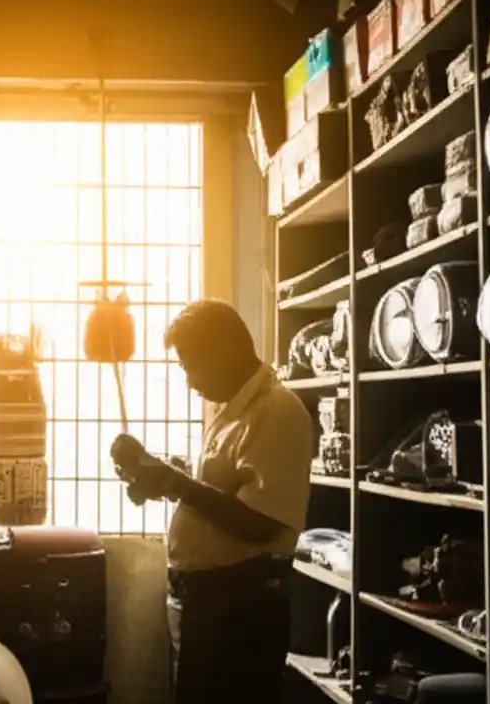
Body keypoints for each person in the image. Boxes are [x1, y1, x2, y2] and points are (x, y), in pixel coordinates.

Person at [110, 300, 312, 703]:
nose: (188, 380)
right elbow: (216, 498)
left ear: (226, 351)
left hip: (242, 614)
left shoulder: (277, 411)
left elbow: (260, 523)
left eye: (190, 365)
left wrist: (177, 483)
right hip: (208, 606)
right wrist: (158, 476)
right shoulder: (232, 412)